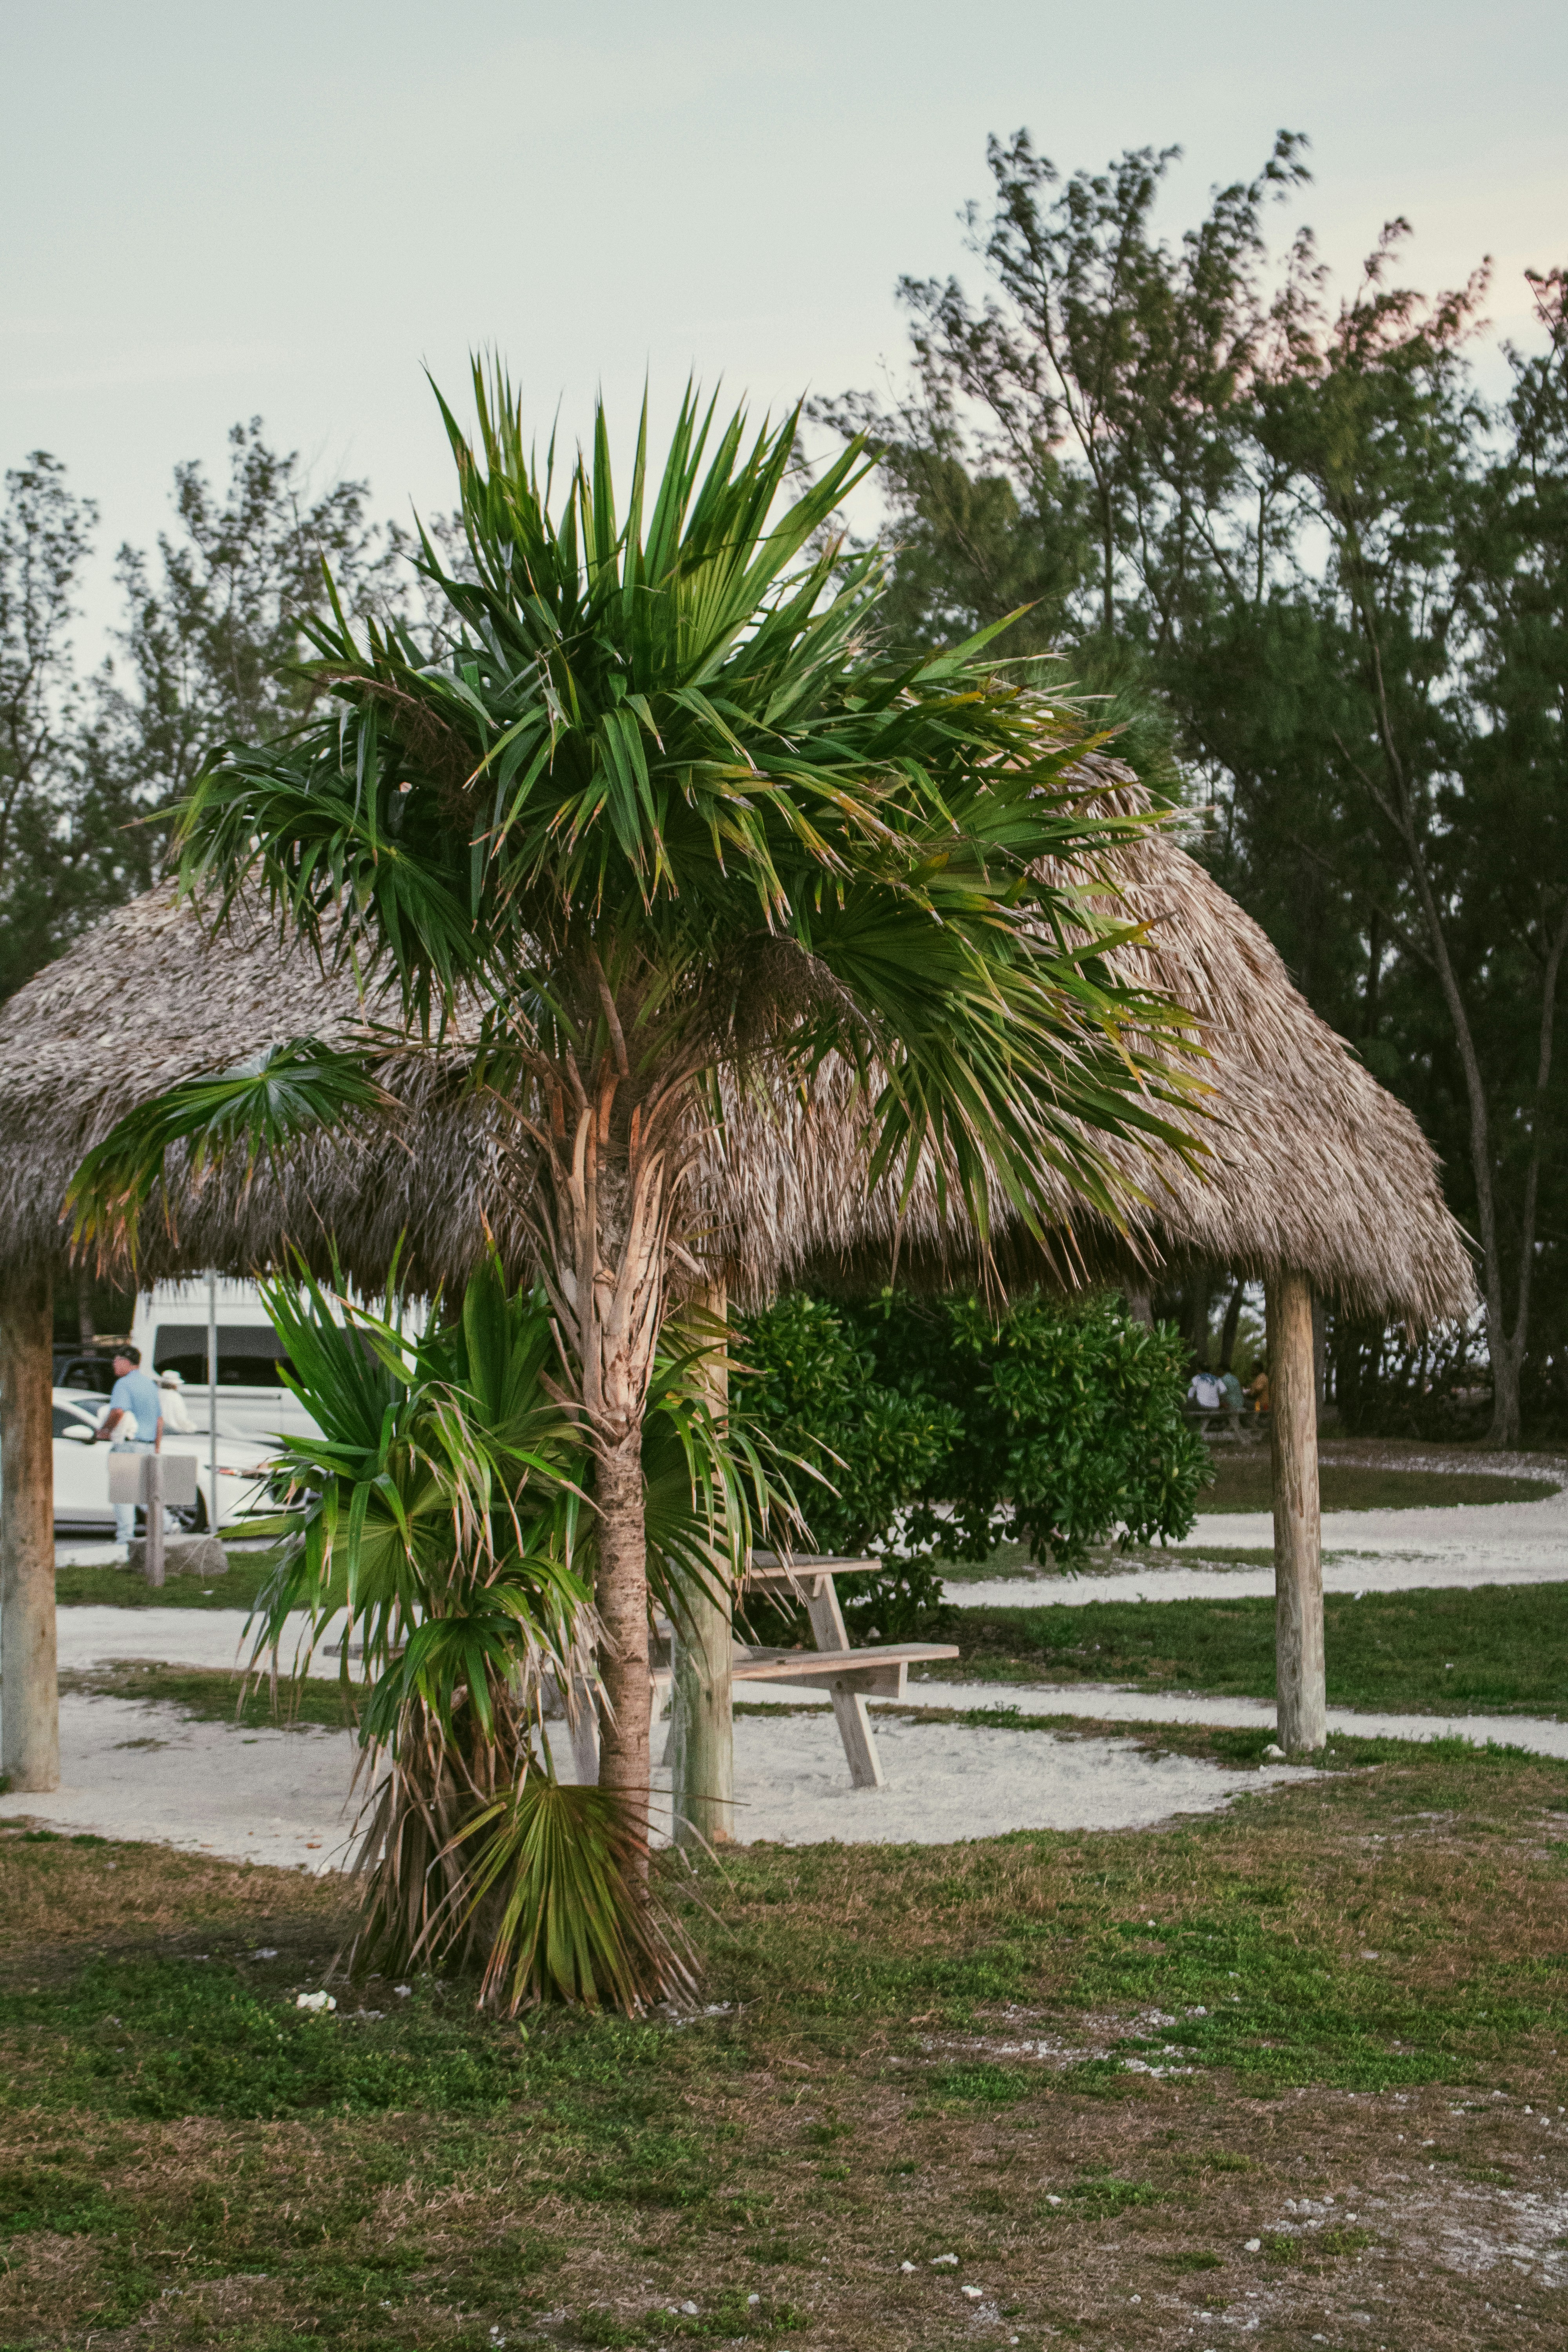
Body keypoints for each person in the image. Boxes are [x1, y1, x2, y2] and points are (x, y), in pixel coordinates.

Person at [94, 1345, 166, 1552]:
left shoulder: (123, 1385)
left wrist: (105, 1431)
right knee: (148, 1493)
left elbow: (118, 1411)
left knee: (124, 1494)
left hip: (129, 1444)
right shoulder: (150, 1385)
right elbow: (159, 1420)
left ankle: (125, 1539)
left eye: (116, 1361)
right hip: (149, 1445)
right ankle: (170, 1527)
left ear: (126, 1362)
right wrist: (157, 1448)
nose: (113, 1365)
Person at [158, 1367, 198, 1433]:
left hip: (159, 1431)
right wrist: (192, 1428)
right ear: (174, 1384)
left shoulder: (157, 1394)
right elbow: (181, 1418)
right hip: (174, 1431)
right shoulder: (176, 1397)